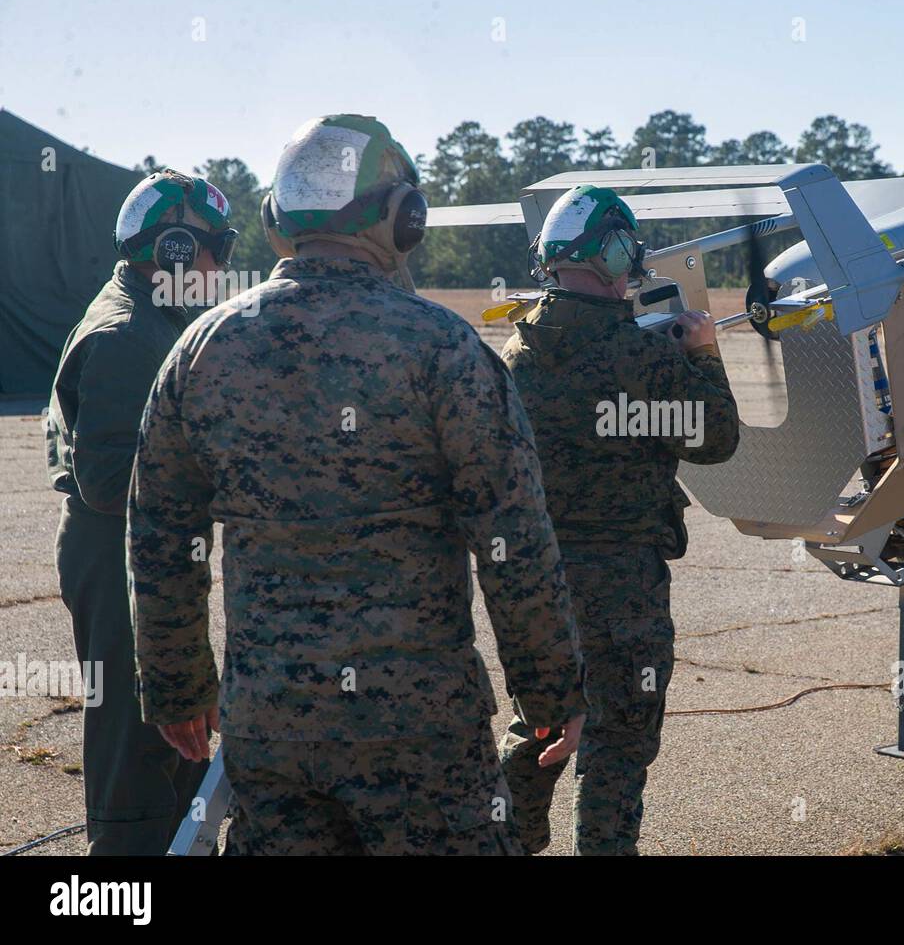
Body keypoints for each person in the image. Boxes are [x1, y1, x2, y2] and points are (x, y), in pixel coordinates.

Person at [126, 115, 586, 855]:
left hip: (271, 727)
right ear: (403, 220)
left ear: (277, 219)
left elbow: (159, 539)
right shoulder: (444, 348)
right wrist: (550, 688)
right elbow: (512, 541)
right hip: (422, 734)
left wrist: (176, 686)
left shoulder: (200, 351)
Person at [499, 185, 740, 854]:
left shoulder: (515, 354)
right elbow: (716, 437)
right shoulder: (644, 357)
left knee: (542, 721)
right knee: (619, 736)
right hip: (621, 581)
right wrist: (703, 354)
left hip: (538, 578)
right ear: (611, 253)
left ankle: (502, 840)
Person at [46, 168, 238, 854]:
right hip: (120, 555)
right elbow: (108, 477)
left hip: (132, 552)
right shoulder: (131, 334)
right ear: (179, 250)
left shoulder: (150, 316)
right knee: (139, 741)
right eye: (221, 246)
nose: (226, 265)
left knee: (172, 738)